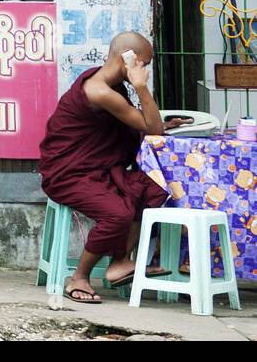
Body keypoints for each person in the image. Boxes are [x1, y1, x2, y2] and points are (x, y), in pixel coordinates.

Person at [38, 32, 190, 304]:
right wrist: (141, 88)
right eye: (142, 64)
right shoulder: (99, 91)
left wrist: (160, 124)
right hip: (69, 174)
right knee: (118, 213)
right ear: (126, 60)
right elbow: (151, 129)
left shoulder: (112, 85)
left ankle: (120, 261)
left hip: (101, 169)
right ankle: (79, 277)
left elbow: (150, 127)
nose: (144, 71)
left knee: (154, 190)